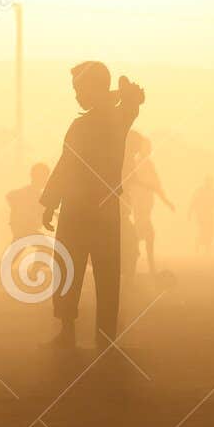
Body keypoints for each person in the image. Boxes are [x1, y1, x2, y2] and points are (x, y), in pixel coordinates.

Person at [41, 63, 145, 350]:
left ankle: (73, 331)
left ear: (94, 89)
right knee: (99, 270)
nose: (76, 96)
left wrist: (50, 202)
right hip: (98, 207)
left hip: (81, 207)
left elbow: (65, 165)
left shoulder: (107, 120)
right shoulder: (117, 118)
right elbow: (132, 98)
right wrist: (117, 95)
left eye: (80, 89)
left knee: (71, 268)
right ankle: (102, 335)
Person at [125, 135, 174, 277]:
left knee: (145, 236)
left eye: (149, 147)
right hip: (138, 207)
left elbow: (156, 185)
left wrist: (166, 201)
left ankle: (142, 268)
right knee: (146, 235)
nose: (149, 150)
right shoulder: (135, 164)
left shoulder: (148, 165)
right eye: (147, 147)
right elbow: (131, 183)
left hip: (145, 207)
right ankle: (140, 269)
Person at [6, 163, 51, 243]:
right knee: (46, 246)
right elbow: (10, 196)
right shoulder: (29, 192)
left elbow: (42, 209)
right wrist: (21, 214)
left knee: (16, 248)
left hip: (26, 230)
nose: (46, 181)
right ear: (37, 178)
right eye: (44, 177)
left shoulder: (37, 194)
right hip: (25, 229)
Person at [187, 176, 214, 255]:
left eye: (211, 182)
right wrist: (189, 212)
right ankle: (198, 244)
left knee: (210, 231)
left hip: (209, 215)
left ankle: (207, 248)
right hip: (201, 215)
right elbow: (194, 201)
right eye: (209, 181)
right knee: (203, 231)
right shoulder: (200, 191)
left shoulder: (213, 192)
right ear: (206, 182)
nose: (210, 183)